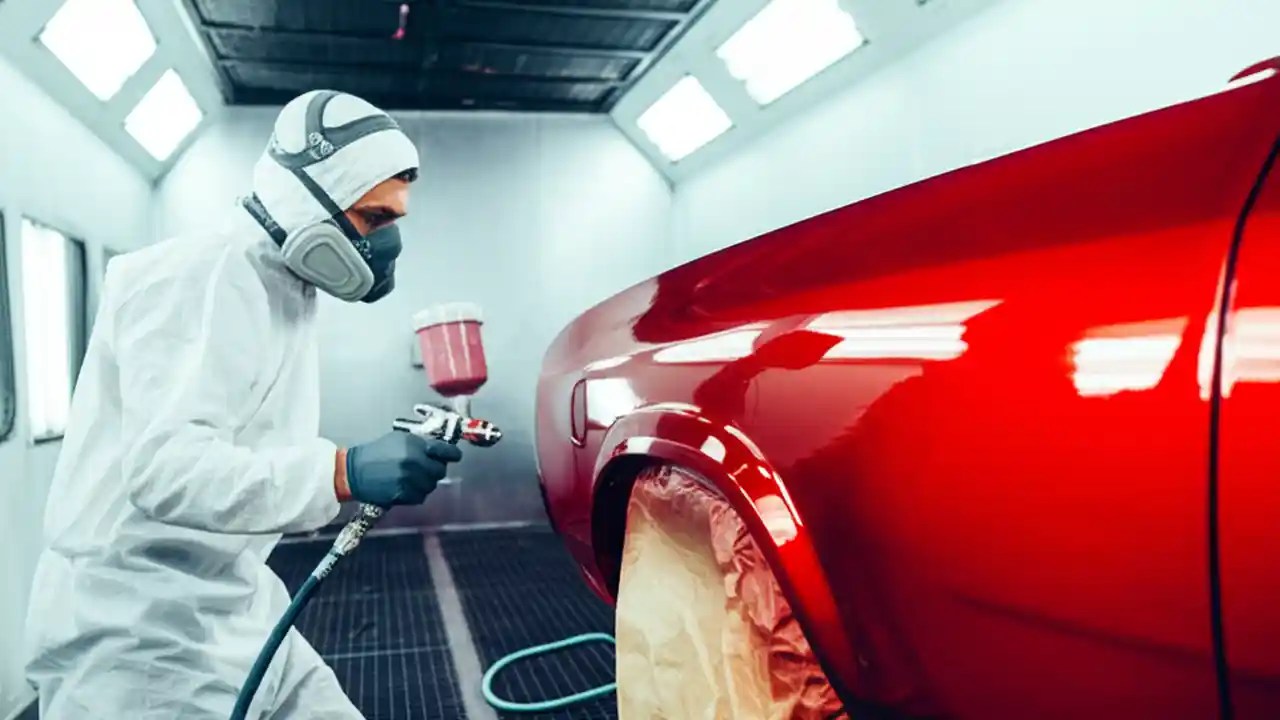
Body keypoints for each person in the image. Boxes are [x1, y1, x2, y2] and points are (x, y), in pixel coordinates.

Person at [24, 90, 458, 719]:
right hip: (140, 631)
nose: (386, 244)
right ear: (309, 203)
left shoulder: (281, 285)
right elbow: (163, 472)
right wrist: (341, 471)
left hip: (234, 599)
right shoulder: (195, 278)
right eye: (374, 219)